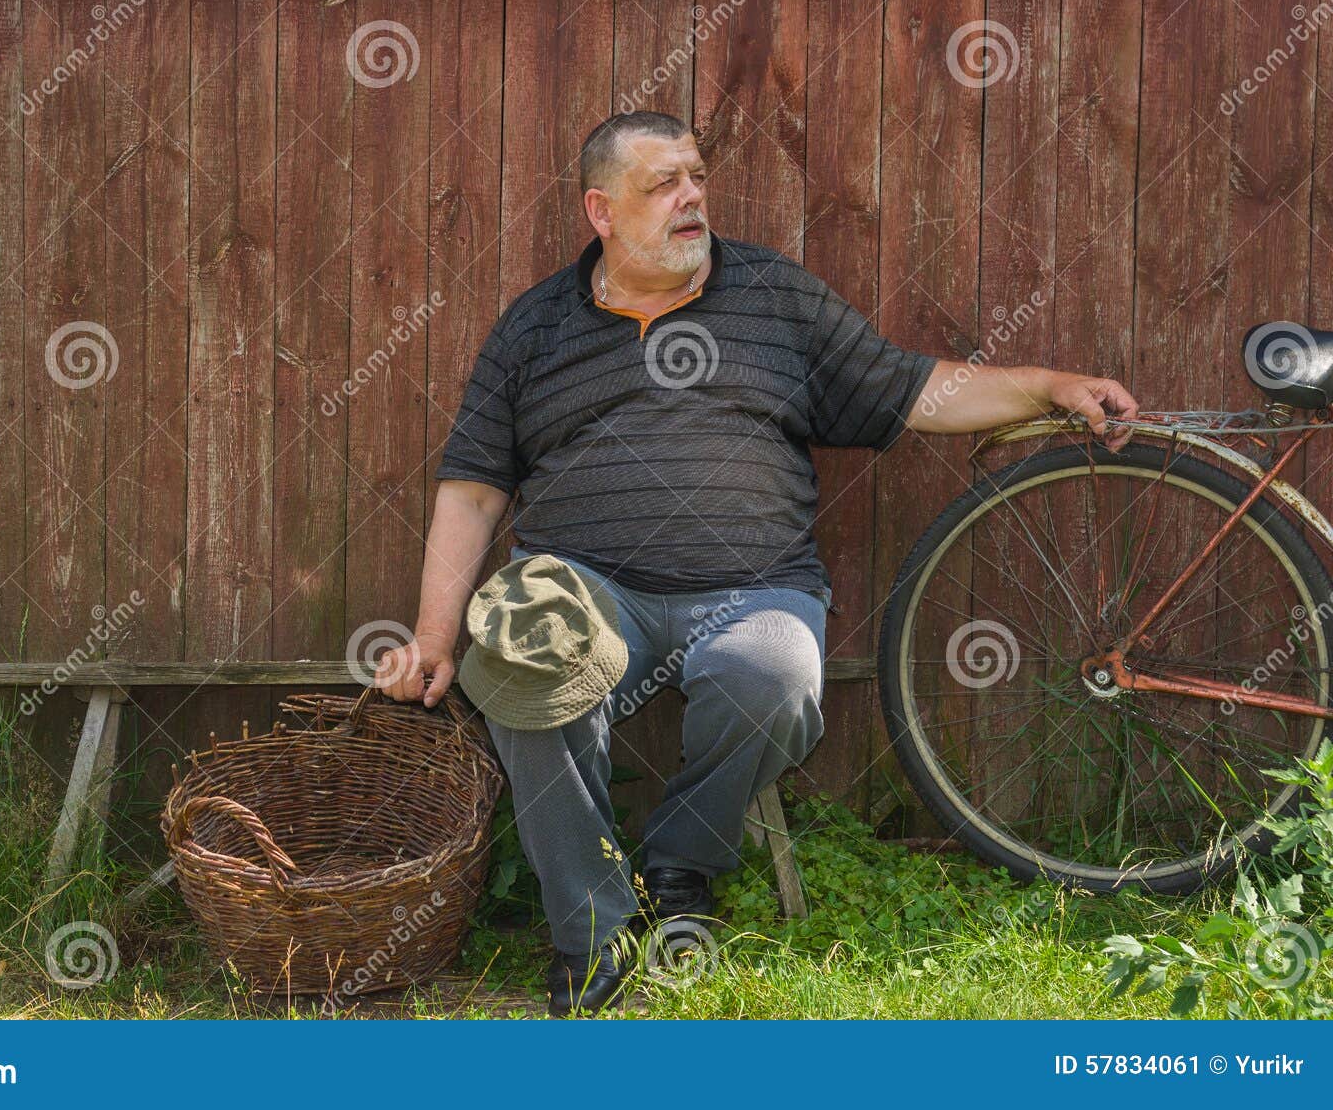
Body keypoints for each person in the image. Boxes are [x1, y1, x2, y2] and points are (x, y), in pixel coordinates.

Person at [375, 110, 1139, 1016]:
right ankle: (592, 933)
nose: (691, 197)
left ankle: (679, 865)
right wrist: (433, 635)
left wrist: (1050, 384)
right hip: (586, 588)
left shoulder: (773, 296)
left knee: (775, 674)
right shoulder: (534, 329)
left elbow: (912, 387)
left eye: (696, 177)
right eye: (663, 185)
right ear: (602, 211)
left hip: (753, 591)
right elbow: (472, 490)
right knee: (517, 651)